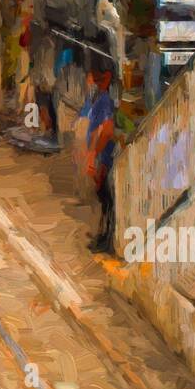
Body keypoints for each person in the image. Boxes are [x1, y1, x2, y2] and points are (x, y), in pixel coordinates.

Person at [80, 69, 119, 252]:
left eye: (94, 79)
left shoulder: (105, 101)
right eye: (90, 79)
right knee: (102, 198)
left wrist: (95, 155)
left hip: (105, 157)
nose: (90, 83)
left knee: (106, 199)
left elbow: (107, 129)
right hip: (99, 156)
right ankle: (103, 235)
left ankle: (106, 239)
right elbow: (95, 130)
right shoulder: (97, 101)